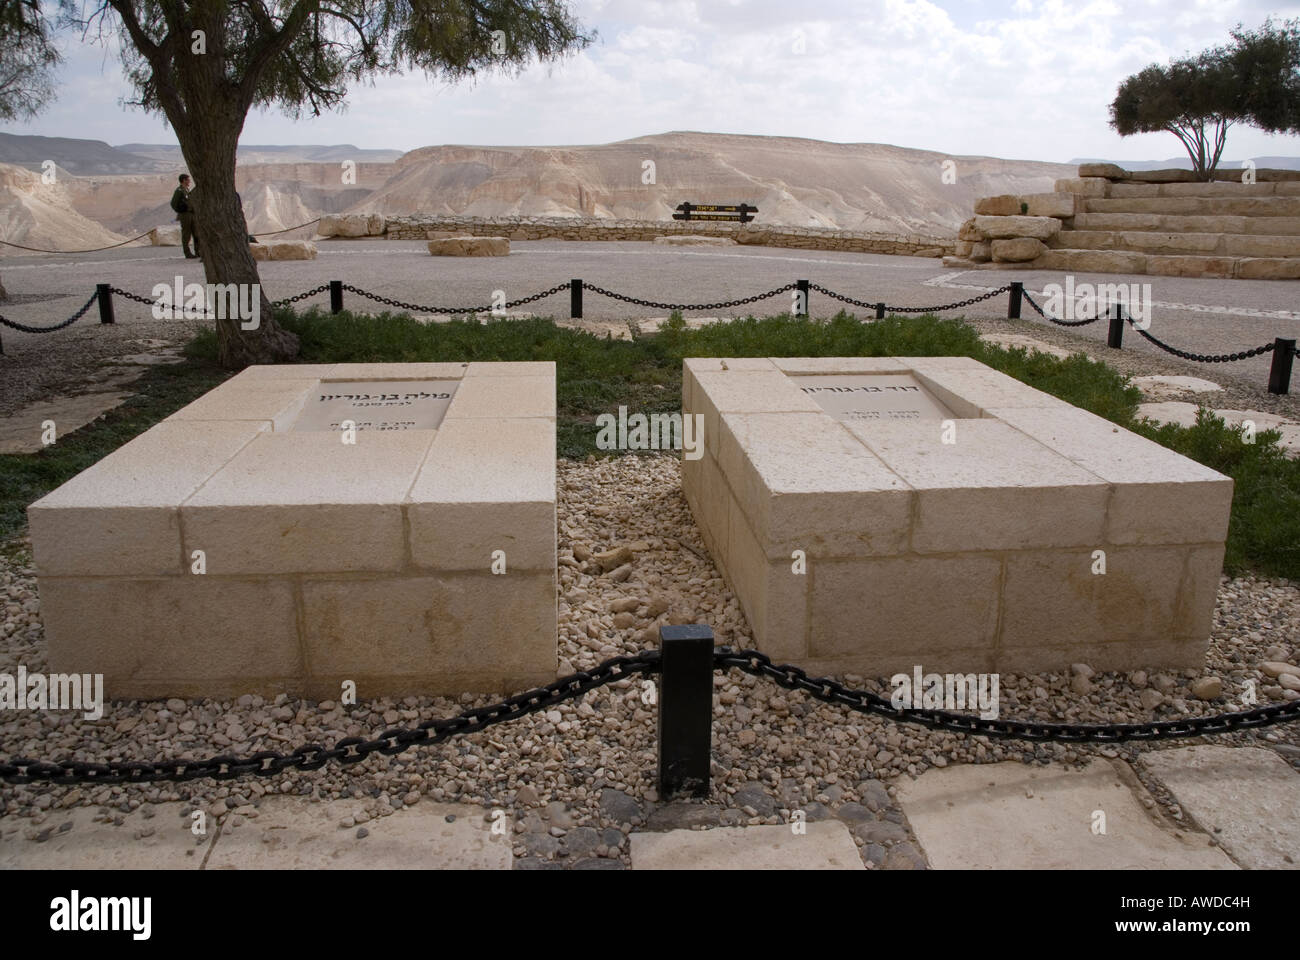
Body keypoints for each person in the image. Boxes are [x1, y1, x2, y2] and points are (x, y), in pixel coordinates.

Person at [170, 174, 200, 259]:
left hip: (191, 214)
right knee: (186, 234)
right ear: (183, 180)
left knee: (196, 233)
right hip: (185, 215)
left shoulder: (186, 190)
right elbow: (173, 203)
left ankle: (198, 252)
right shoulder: (179, 191)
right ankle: (187, 253)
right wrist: (181, 210)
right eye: (187, 180)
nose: (189, 181)